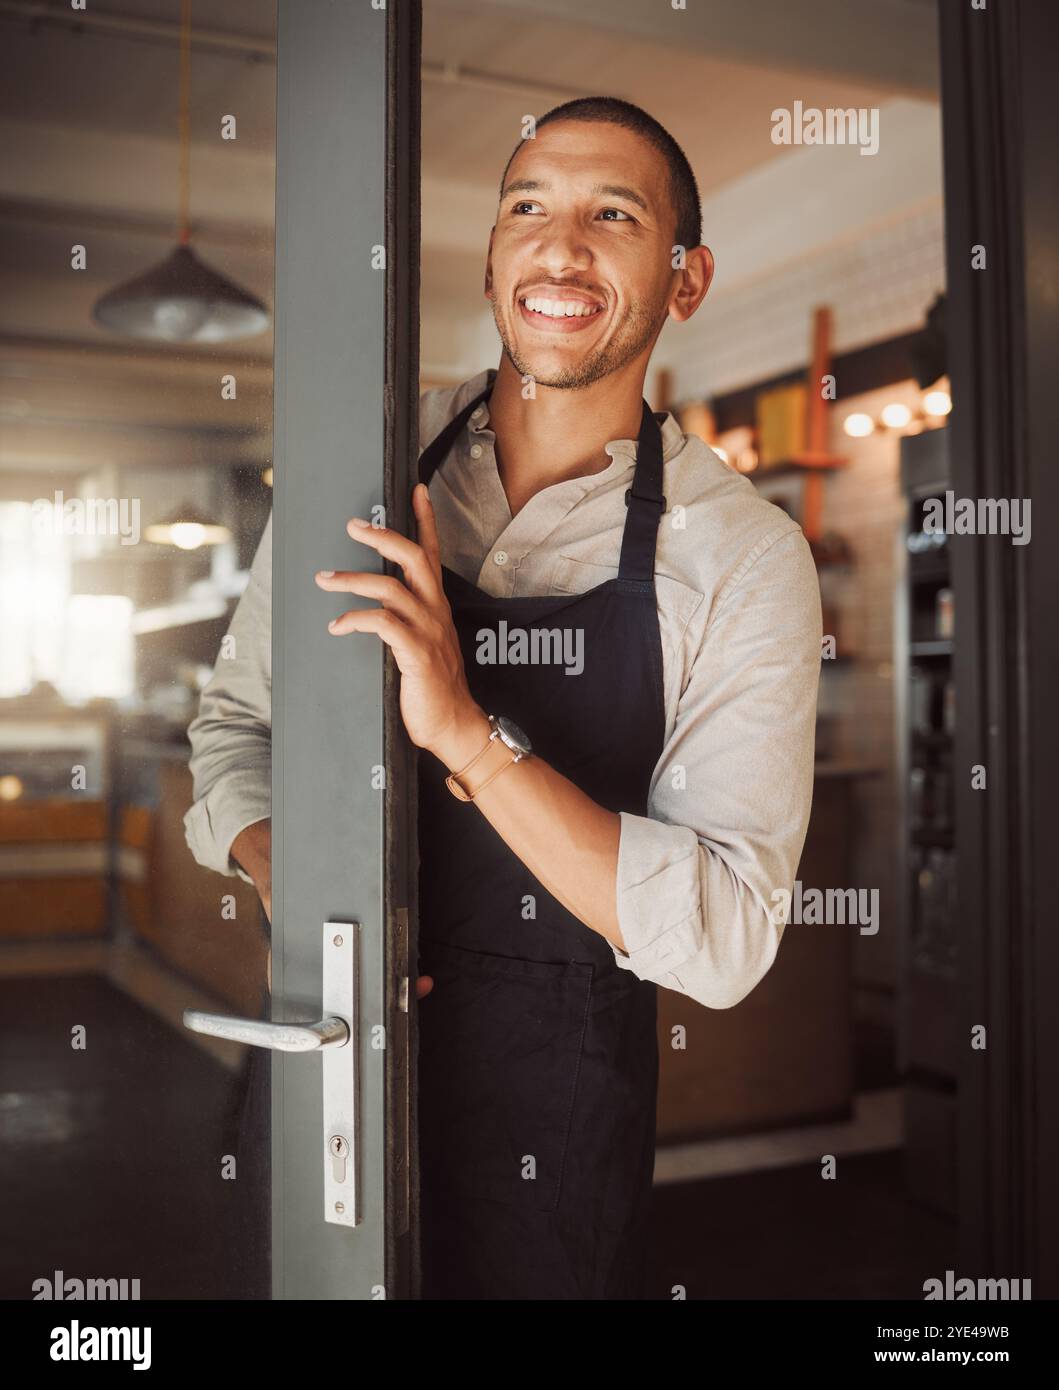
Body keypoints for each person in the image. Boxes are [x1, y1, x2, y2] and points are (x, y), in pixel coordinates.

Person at [184, 96, 822, 1300]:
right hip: (332, 1066)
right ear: (491, 258)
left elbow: (728, 938)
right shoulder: (359, 467)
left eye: (612, 216)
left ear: (687, 281)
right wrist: (302, 889)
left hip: (553, 1130)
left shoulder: (740, 556)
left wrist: (467, 737)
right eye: (527, 208)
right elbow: (233, 735)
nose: (560, 247)